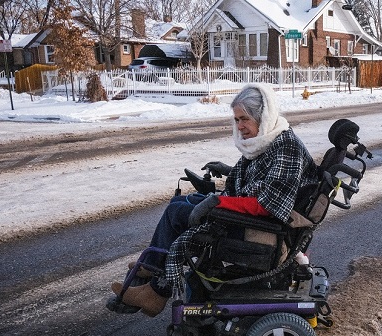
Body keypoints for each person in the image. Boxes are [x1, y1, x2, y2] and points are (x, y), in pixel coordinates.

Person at [111, 83, 320, 316]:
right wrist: (231, 171)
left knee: (176, 214)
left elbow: (269, 205)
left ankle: (157, 291)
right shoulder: (271, 139)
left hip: (264, 229)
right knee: (178, 204)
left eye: (244, 119)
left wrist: (218, 203)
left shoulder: (286, 148)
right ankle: (154, 267)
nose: (239, 126)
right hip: (253, 216)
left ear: (263, 116)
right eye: (237, 119)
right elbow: (266, 179)